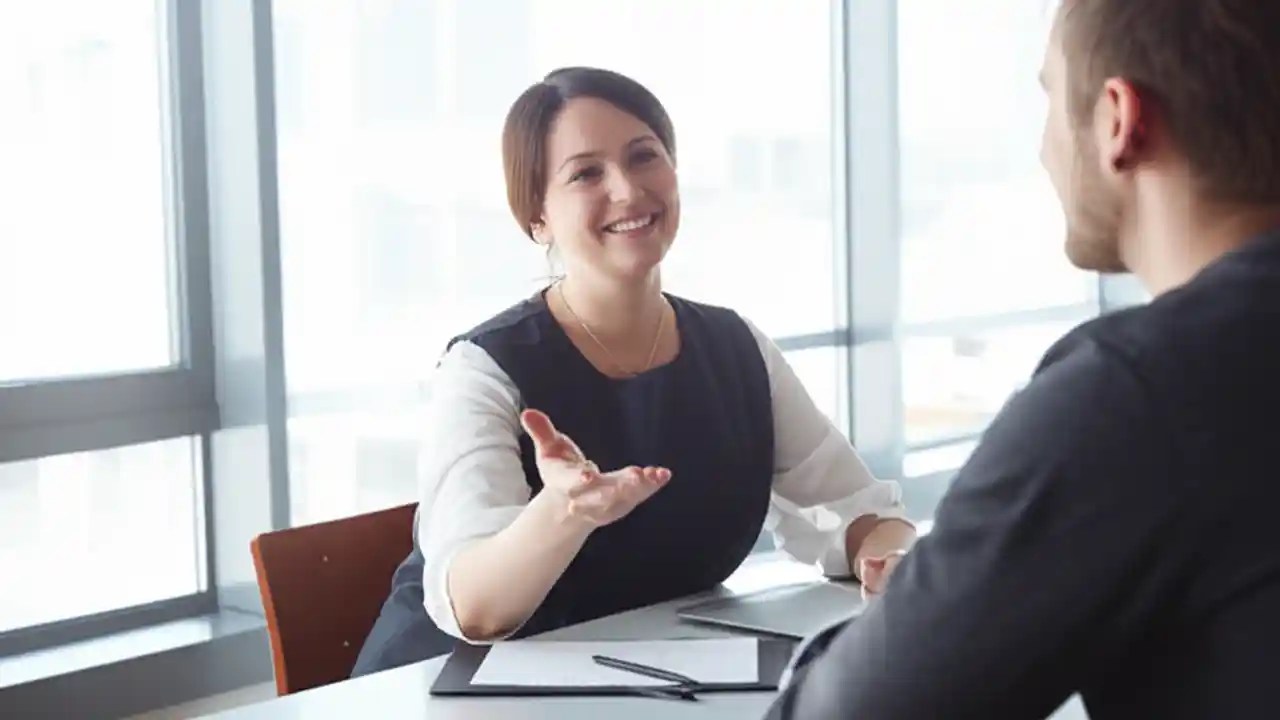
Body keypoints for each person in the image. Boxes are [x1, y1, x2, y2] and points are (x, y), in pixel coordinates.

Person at [766, 0, 1280, 718]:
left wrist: (934, 603)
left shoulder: (1136, 394)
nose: (1044, 149)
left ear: (1117, 120)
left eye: (1048, 99)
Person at [350, 66, 917, 676]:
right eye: (586, 173)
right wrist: (565, 513)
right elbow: (478, 609)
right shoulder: (483, 368)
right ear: (536, 217)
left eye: (644, 157)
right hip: (458, 686)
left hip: (650, 681)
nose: (626, 190)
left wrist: (889, 556)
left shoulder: (735, 347)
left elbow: (850, 507)